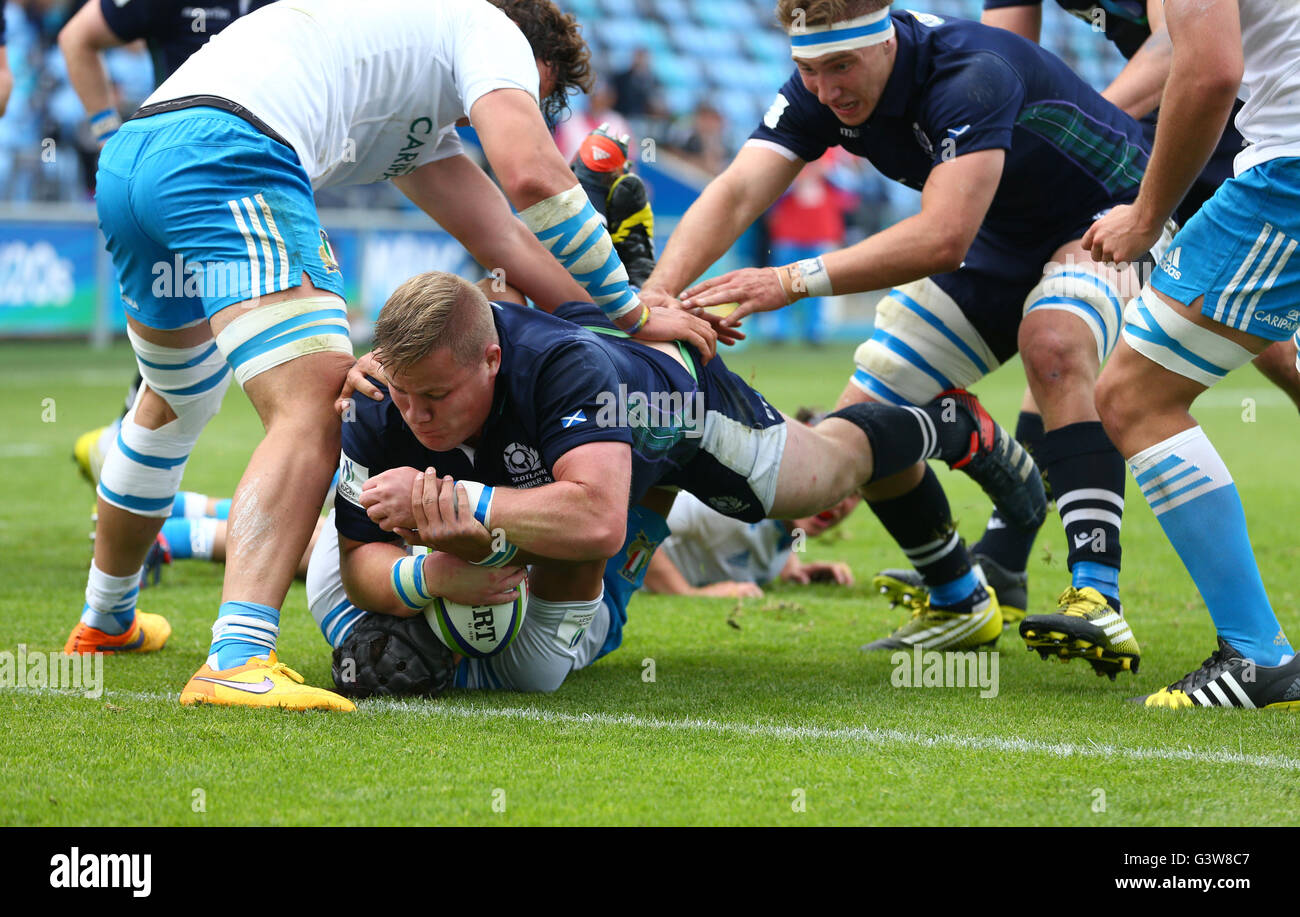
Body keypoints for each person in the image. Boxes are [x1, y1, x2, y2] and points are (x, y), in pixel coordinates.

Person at [62, 0, 714, 717]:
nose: (526, 106)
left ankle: (107, 617)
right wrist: (638, 309)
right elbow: (529, 175)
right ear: (537, 62)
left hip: (138, 157)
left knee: (170, 403)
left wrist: (611, 322)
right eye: (539, 91)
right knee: (312, 411)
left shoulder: (408, 110)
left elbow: (507, 241)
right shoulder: (486, 26)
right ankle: (238, 658)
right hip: (230, 152)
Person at [640, 0, 1149, 675]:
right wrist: (655, 300)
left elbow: (943, 237)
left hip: (1107, 213)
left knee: (1052, 342)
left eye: (840, 66)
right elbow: (737, 191)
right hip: (998, 237)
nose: (825, 89)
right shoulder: (822, 82)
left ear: (885, 41)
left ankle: (1097, 595)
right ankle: (959, 599)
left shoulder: (972, 72)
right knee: (860, 430)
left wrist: (789, 280)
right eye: (809, 71)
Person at [318, 269, 1042, 699]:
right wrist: (428, 578)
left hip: (673, 408)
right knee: (566, 507)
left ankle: (946, 423)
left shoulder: (562, 371)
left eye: (437, 398)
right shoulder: (381, 397)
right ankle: (631, 263)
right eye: (407, 396)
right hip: (582, 438)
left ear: (491, 360)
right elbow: (356, 565)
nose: (416, 416)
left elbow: (596, 522)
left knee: (825, 475)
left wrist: (463, 507)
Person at [1086, 0, 1300, 709]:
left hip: (1290, 171)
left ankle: (1256, 654)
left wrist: (1147, 216)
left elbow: (1208, 70)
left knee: (1133, 395)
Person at [647, 489, 857, 599]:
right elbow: (636, 526)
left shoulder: (788, 528)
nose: (839, 501)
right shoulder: (726, 505)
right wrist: (685, 593)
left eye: (855, 492)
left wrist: (794, 570)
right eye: (833, 481)